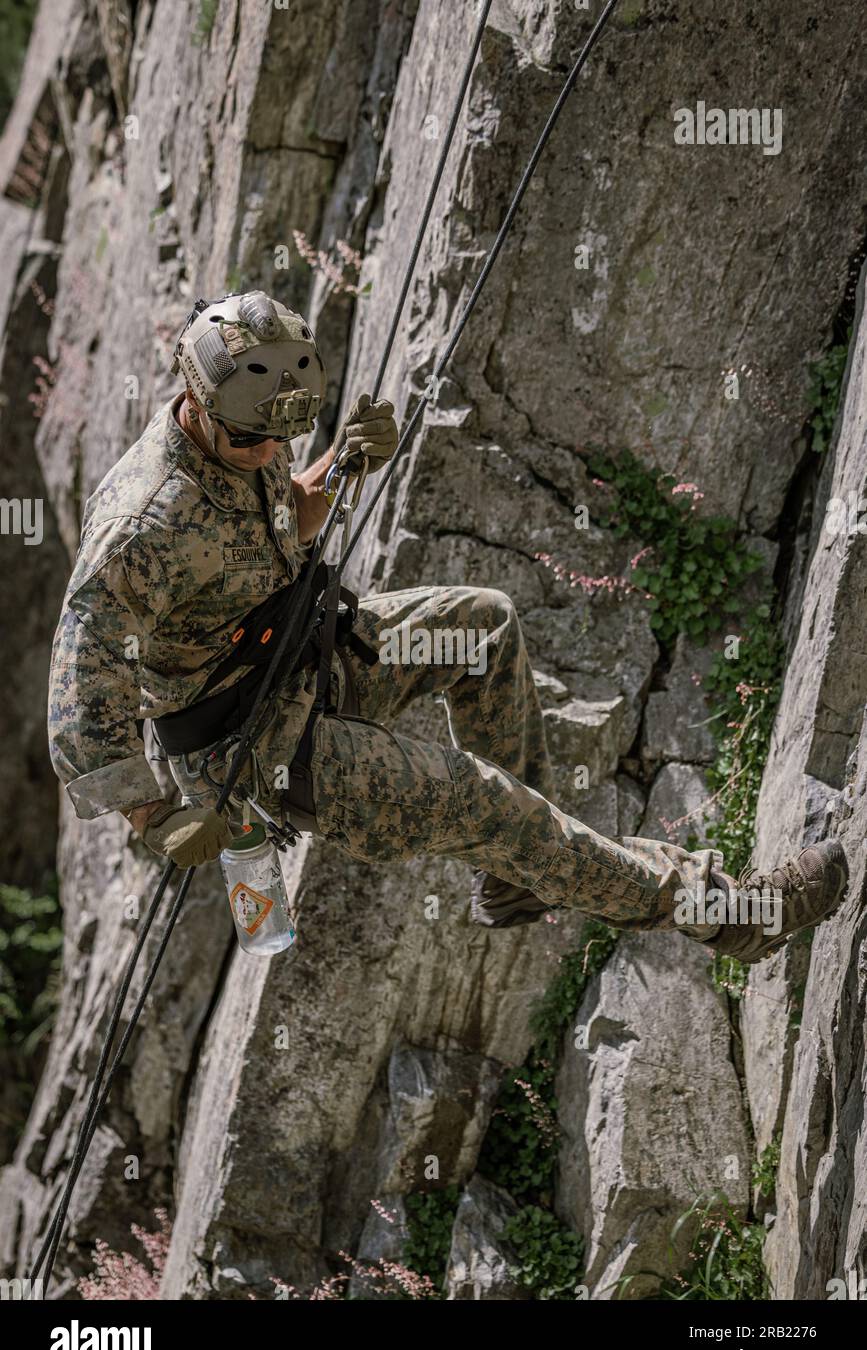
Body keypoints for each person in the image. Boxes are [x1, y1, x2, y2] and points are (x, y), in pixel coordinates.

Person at [47, 290, 849, 964]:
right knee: (485, 805)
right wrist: (152, 815)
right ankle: (730, 915)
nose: (271, 452)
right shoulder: (143, 523)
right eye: (256, 438)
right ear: (198, 403)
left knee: (482, 627)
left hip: (302, 658)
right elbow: (82, 678)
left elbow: (283, 517)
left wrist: (342, 462)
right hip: (252, 746)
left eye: (281, 436)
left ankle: (522, 871)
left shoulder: (245, 437)